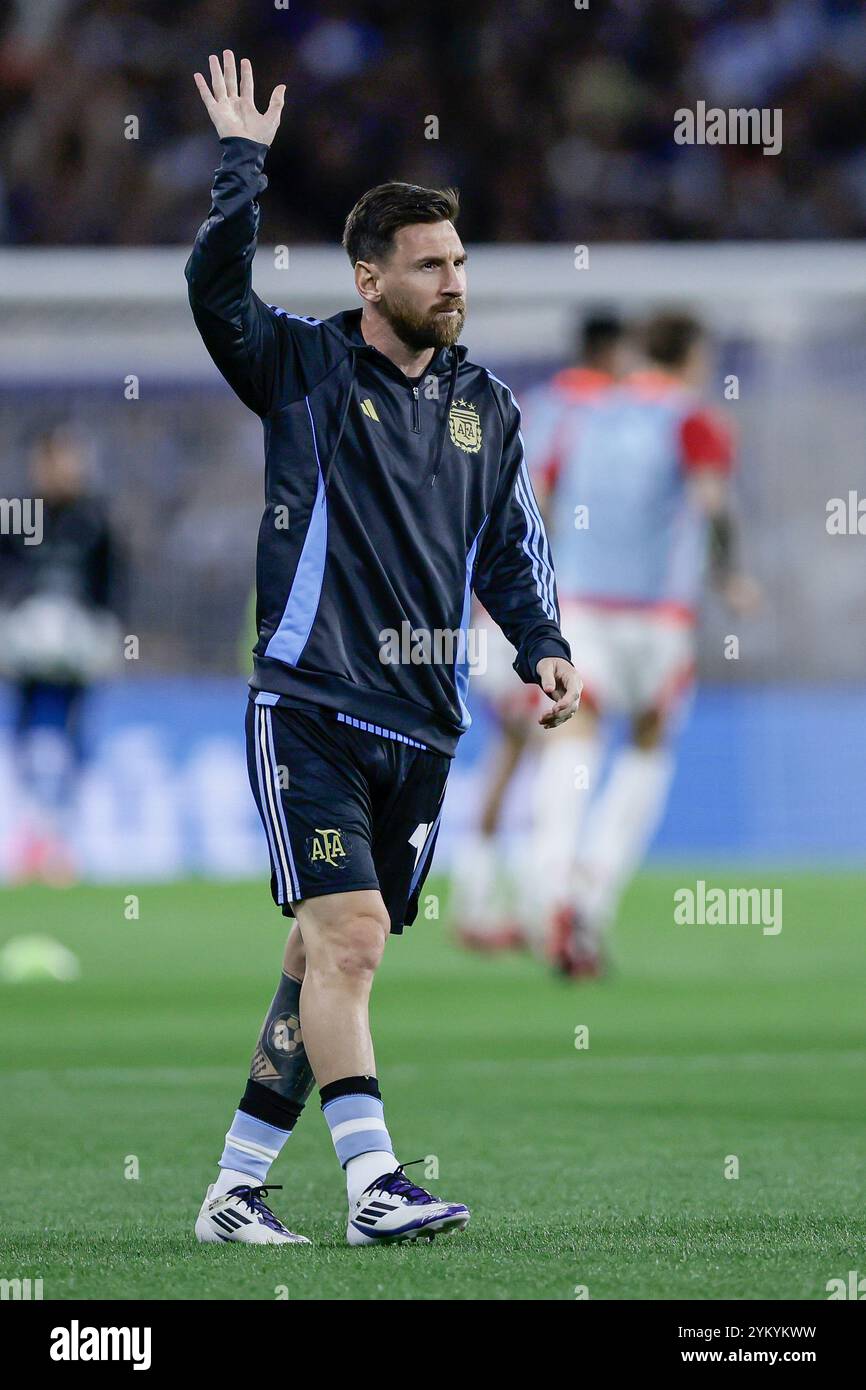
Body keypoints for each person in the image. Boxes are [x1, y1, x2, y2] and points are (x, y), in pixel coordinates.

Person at [186, 52, 580, 1247]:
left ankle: (233, 1190)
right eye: (429, 265)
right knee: (349, 938)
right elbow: (215, 295)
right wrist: (241, 170)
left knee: (324, 951)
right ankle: (374, 1184)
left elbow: (509, 545)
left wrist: (542, 644)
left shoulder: (488, 407)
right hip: (308, 701)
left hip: (425, 721)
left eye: (459, 263)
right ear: (370, 278)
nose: (453, 282)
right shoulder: (301, 369)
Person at [529, 311, 760, 977]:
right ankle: (592, 900)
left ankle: (552, 893)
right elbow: (714, 503)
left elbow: (539, 498)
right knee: (649, 747)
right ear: (690, 357)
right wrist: (731, 576)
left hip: (577, 607)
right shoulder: (694, 421)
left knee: (572, 745)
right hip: (657, 618)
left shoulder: (586, 413)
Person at [449, 315, 629, 952]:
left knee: (517, 749)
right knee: (557, 747)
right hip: (535, 608)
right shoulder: (601, 413)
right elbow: (534, 505)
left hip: (498, 606)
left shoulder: (538, 405)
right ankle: (537, 901)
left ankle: (482, 899)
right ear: (610, 352)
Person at [0, 425, 123, 883]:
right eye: (52, 460)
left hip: (78, 651)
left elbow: (112, 586)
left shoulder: (95, 519)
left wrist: (107, 635)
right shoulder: (18, 513)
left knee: (75, 738)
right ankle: (27, 831)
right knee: (27, 737)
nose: (61, 470)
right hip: (25, 650)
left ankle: (65, 837)